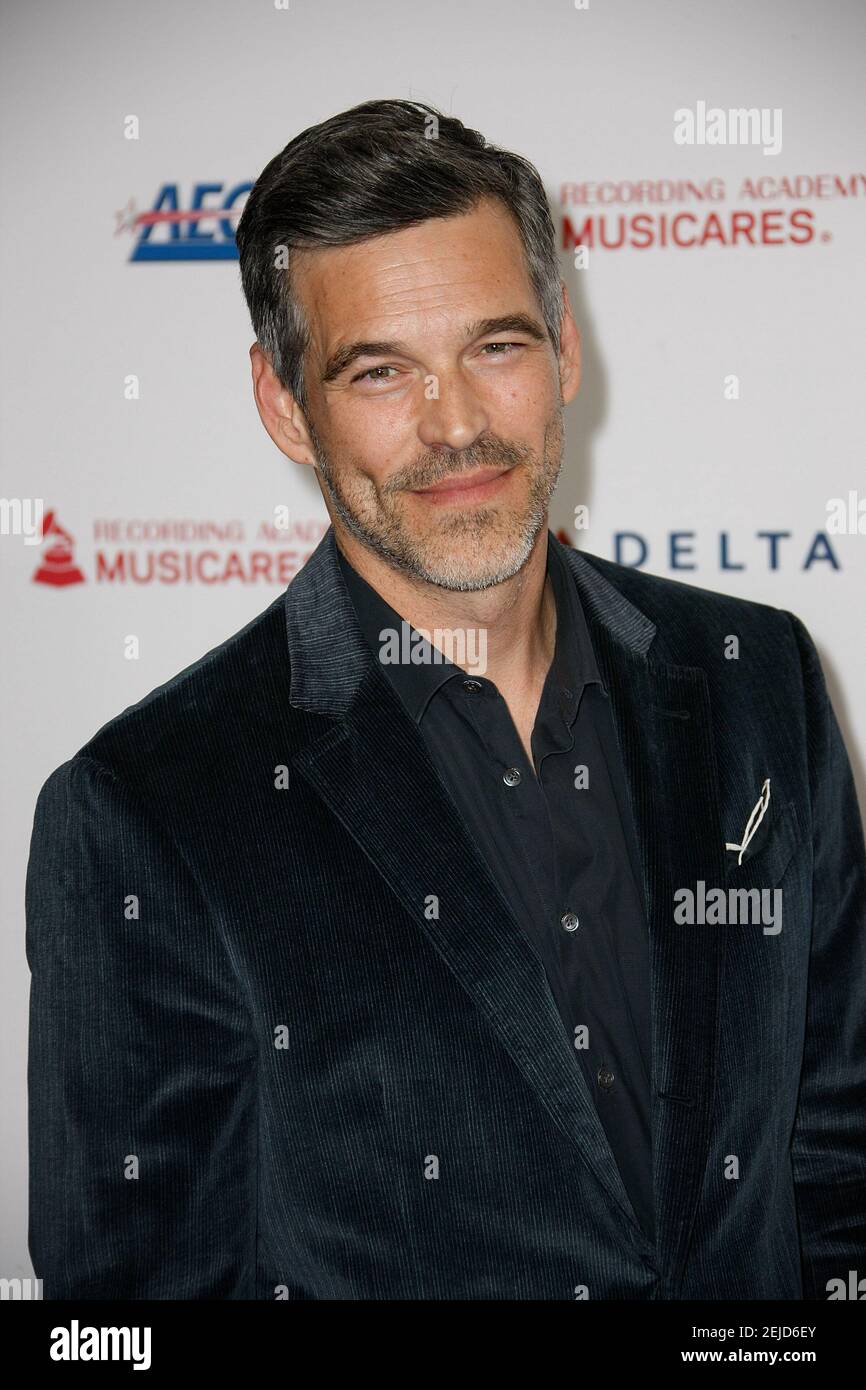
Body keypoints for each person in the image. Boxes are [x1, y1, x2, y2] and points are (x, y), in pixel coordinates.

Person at [26, 98, 866, 1300]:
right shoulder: (151, 808)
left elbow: (831, 1146)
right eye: (380, 371)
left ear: (565, 352)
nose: (458, 424)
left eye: (496, 346)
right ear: (282, 404)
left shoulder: (755, 679)